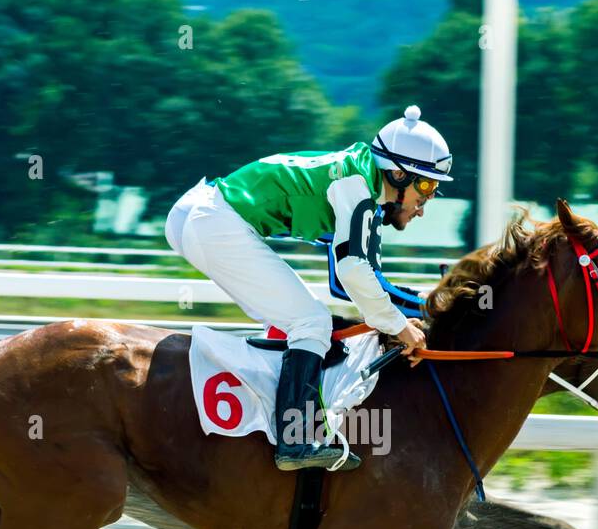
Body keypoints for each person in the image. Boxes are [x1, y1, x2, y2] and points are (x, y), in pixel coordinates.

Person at [165, 105, 452, 471]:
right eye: (425, 187)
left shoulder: (362, 183)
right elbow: (353, 272)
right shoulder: (359, 188)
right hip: (212, 221)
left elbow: (346, 282)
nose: (424, 205)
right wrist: (403, 324)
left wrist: (418, 307)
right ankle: (296, 439)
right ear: (397, 173)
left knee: (306, 319)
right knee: (311, 323)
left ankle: (268, 419)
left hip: (203, 214)